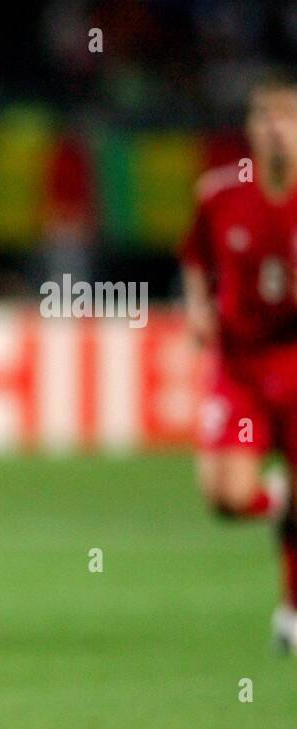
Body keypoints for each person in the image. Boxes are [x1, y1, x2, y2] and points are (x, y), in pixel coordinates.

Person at [181, 74, 297, 652]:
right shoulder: (221, 193)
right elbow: (196, 259)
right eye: (264, 116)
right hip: (241, 364)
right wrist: (200, 309)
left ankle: (291, 616)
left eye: (287, 117)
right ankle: (280, 499)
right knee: (225, 499)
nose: (275, 129)